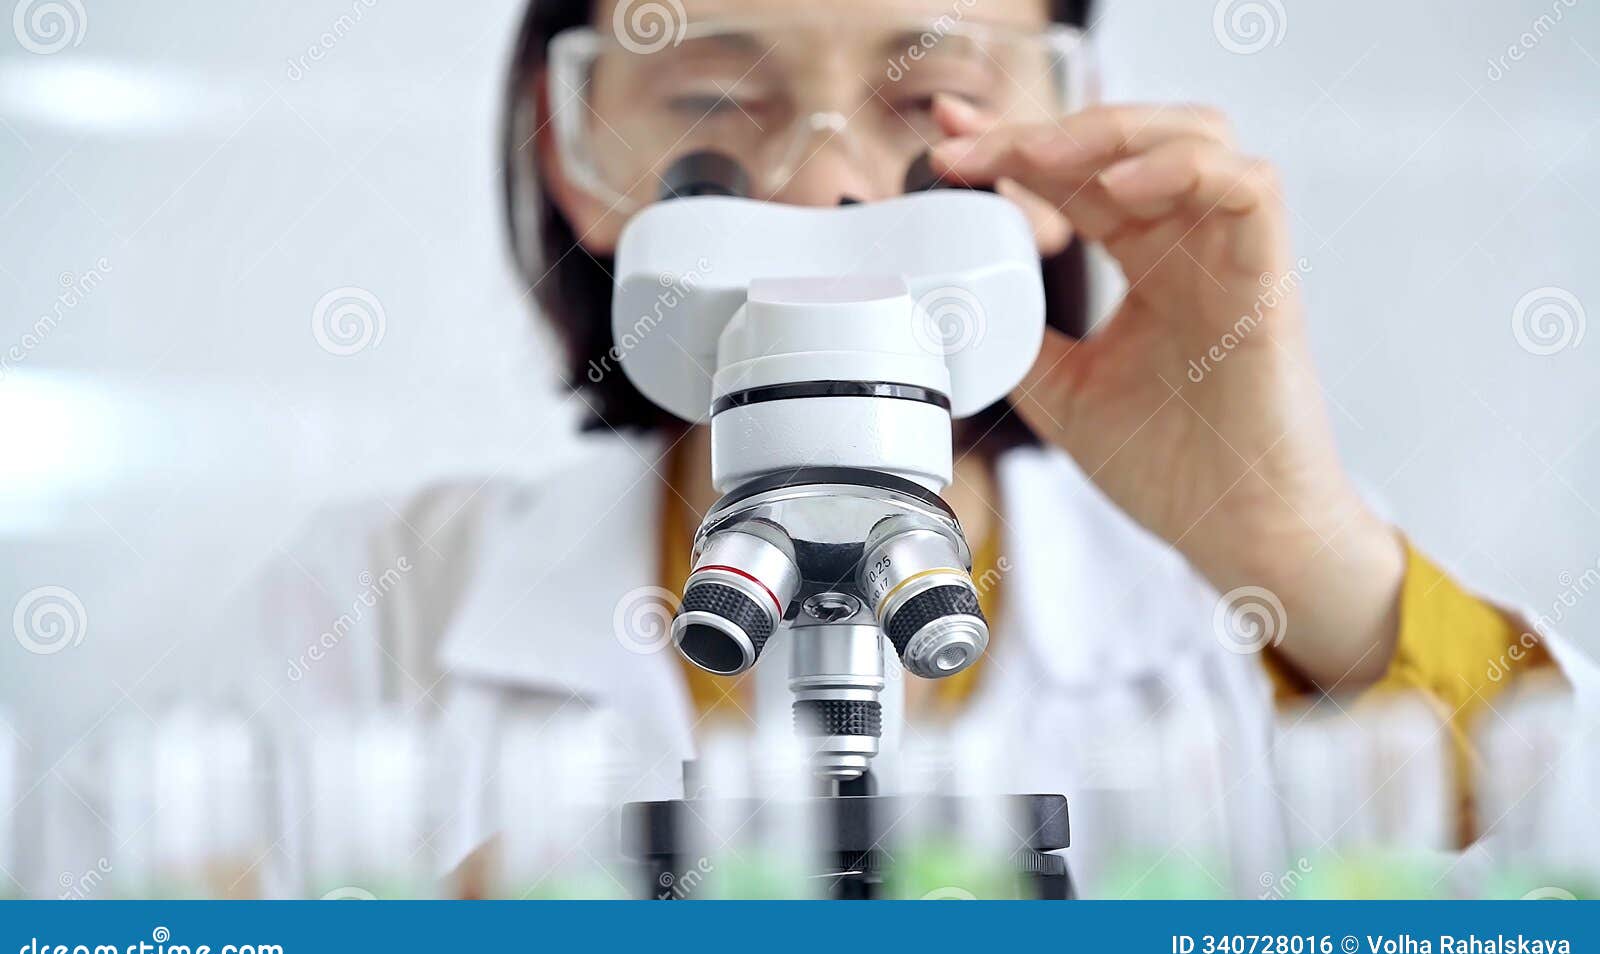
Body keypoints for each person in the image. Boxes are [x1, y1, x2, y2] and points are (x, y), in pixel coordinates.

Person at [253, 0, 1592, 895]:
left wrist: (1293, 547)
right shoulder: (376, 603)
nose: (826, 189)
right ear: (571, 152)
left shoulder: (1255, 603)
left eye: (932, 109)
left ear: (1066, 144)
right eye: (711, 107)